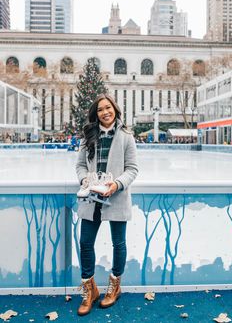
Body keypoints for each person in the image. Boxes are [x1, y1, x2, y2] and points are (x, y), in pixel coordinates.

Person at [75, 93, 138, 316]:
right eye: (100, 109)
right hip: (92, 199)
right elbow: (81, 165)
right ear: (96, 113)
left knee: (118, 244)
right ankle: (90, 289)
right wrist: (85, 179)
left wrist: (117, 184)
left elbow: (132, 168)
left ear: (115, 109)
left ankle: (115, 285)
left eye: (108, 108)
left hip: (116, 197)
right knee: (85, 243)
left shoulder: (126, 136)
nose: (105, 112)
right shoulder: (88, 136)